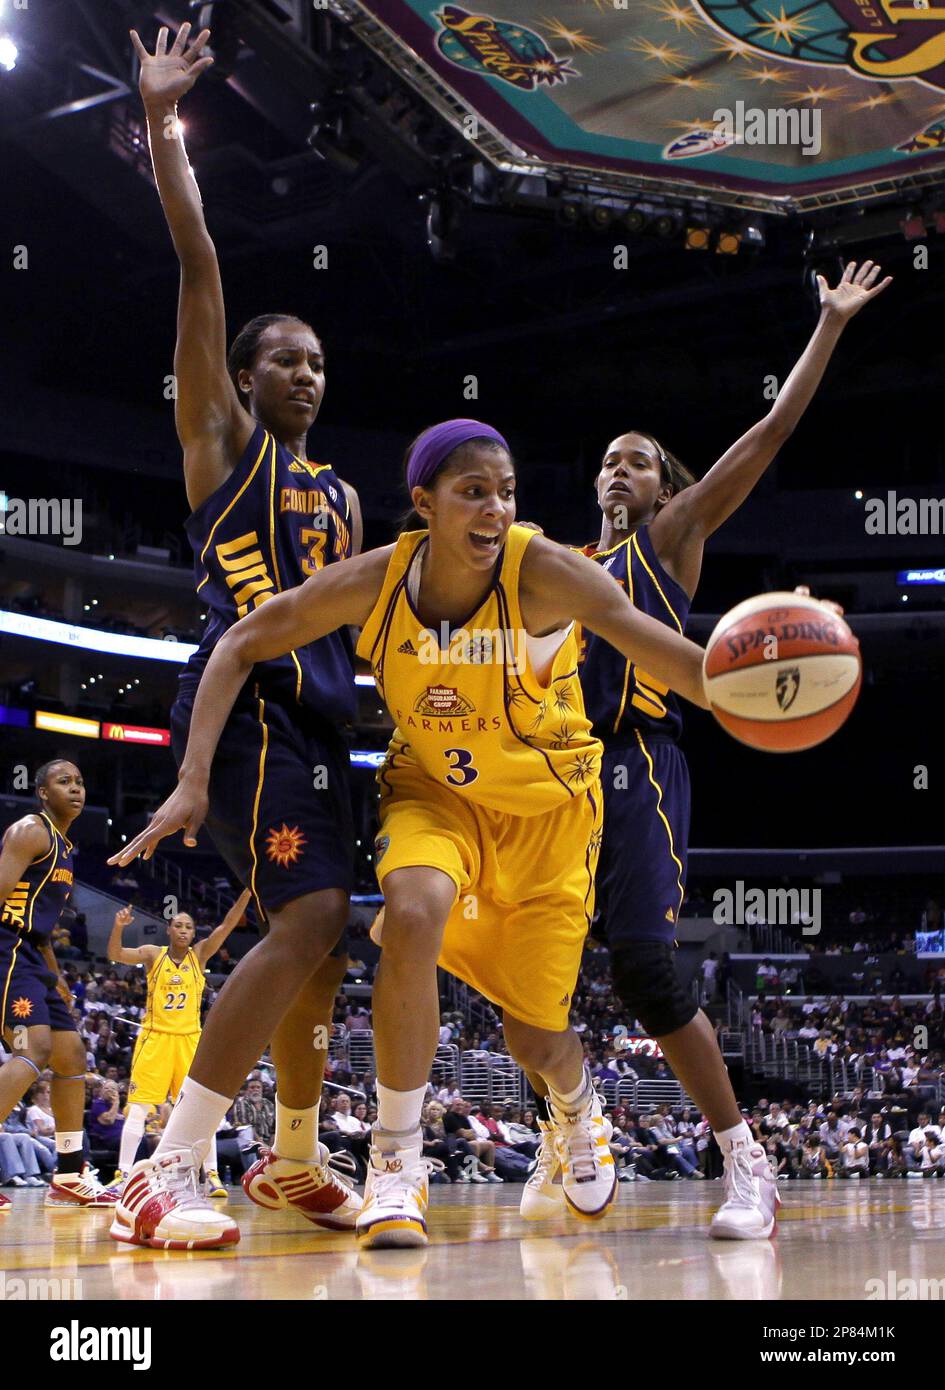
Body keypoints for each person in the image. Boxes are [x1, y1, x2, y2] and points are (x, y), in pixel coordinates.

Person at [112, 415, 711, 1245]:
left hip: (549, 813)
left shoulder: (545, 572)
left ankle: (575, 1102)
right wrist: (191, 776)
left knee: (534, 1030)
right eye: (473, 493)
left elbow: (673, 658)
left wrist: (760, 688)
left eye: (506, 493)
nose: (495, 510)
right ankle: (397, 1165)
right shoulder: (376, 580)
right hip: (434, 792)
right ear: (424, 503)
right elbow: (243, 641)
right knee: (413, 909)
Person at [522, 259, 891, 1238]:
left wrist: (828, 328)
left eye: (636, 460)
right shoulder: (559, 567)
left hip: (635, 761)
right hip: (548, 777)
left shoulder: (671, 536)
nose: (617, 471)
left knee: (644, 968)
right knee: (525, 978)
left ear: (665, 485)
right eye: (608, 460)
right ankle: (569, 1126)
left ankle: (747, 1162)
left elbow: (766, 438)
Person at [106, 22, 364, 1249]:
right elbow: (201, 267)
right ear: (246, 378)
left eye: (319, 364)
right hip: (243, 700)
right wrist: (164, 124)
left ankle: (294, 1157)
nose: (307, 376)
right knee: (305, 922)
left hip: (325, 722)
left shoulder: (348, 498)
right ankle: (165, 1164)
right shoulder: (220, 444)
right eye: (288, 362)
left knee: (326, 940)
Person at [0, 761, 116, 1209]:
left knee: (72, 1055)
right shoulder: (31, 830)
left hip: (31, 955)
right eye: (63, 781)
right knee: (34, 1049)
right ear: (42, 792)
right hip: (6, 948)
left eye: (80, 781)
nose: (75, 788)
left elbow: (42, 928)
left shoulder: (64, 846)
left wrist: (58, 977)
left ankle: (69, 1173)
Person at [107, 892, 250, 1192]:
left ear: (193, 933)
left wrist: (247, 893)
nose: (184, 930)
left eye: (188, 927)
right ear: (169, 930)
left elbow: (227, 924)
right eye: (178, 925)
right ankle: (122, 1175)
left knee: (201, 1111)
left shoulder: (199, 955)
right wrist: (119, 926)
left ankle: (210, 1175)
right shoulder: (152, 954)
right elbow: (116, 954)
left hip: (189, 1041)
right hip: (156, 1038)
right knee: (139, 1108)